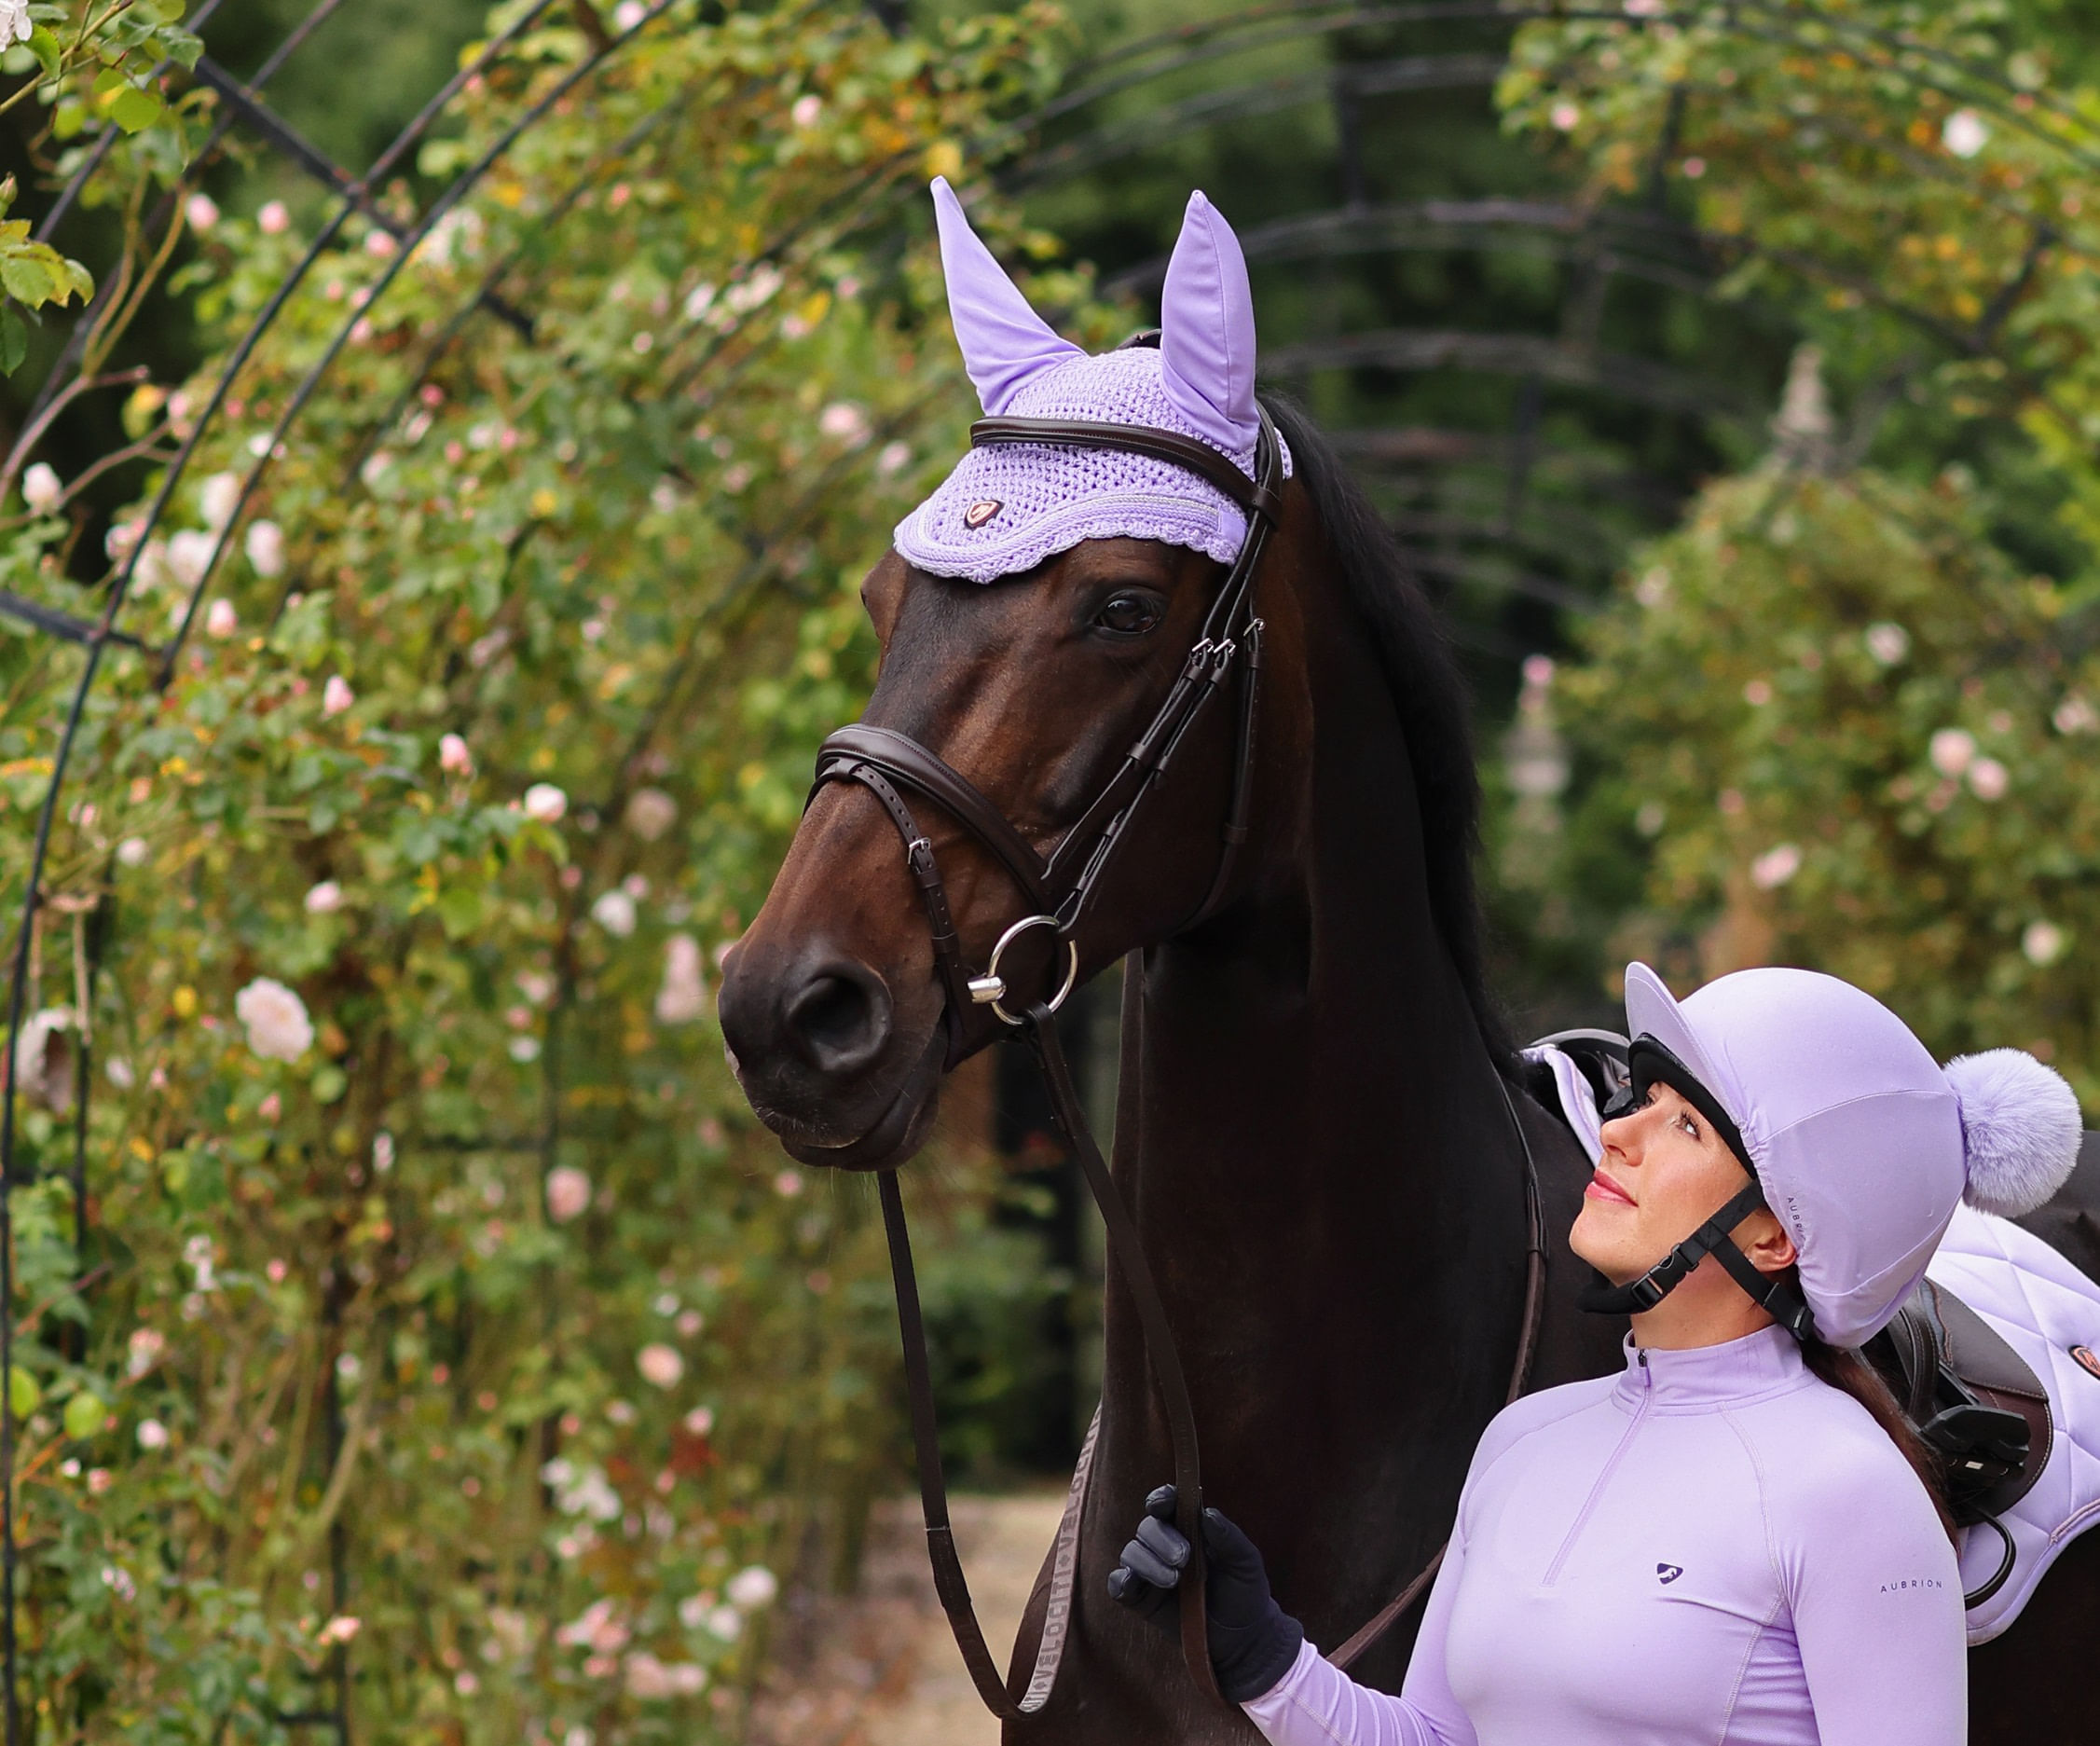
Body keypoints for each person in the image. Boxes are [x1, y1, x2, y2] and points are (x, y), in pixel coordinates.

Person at [1109, 961, 2085, 1744]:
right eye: (1638, 1098)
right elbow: (1434, 1738)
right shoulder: (1523, 1441)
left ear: (1775, 1237)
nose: (1616, 1132)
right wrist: (1267, 1656)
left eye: (1685, 1125)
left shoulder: (1853, 1492)